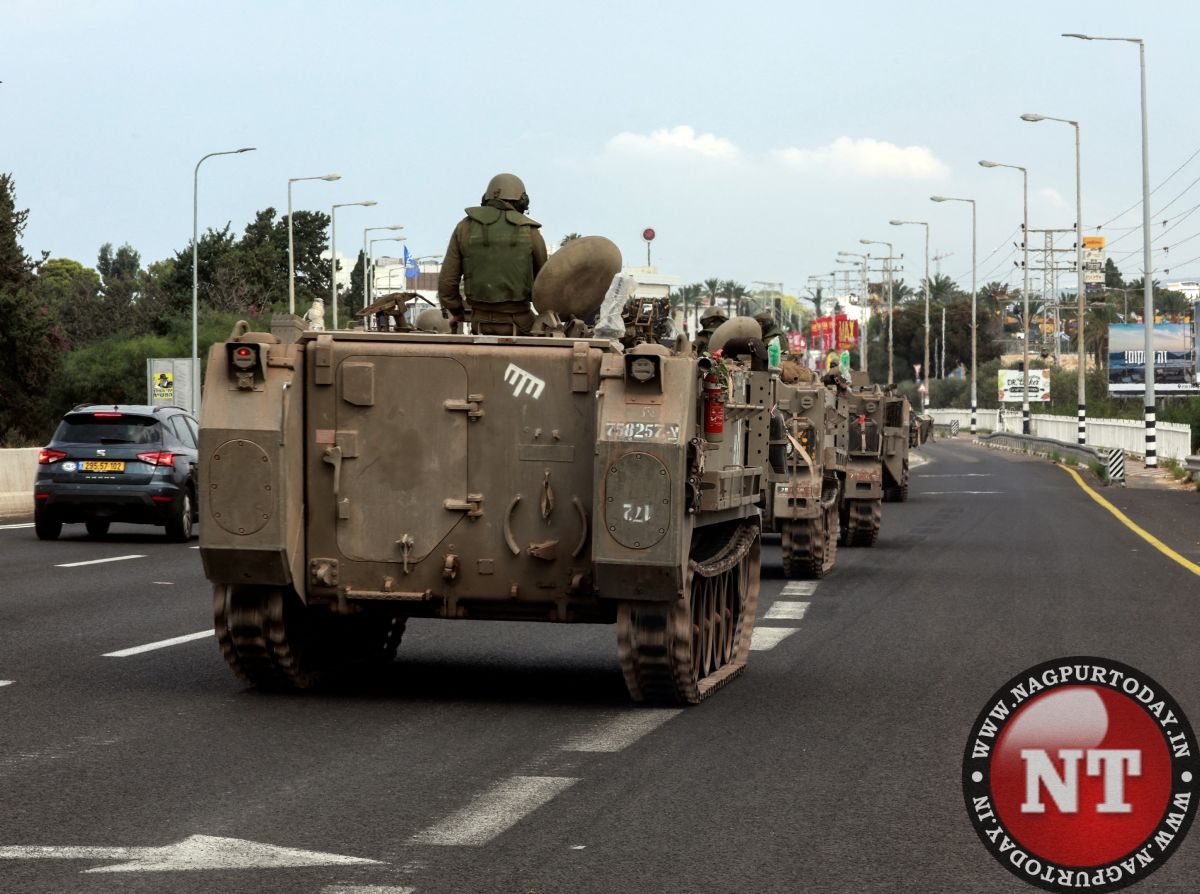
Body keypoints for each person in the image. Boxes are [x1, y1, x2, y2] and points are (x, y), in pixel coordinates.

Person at [437, 173, 548, 335]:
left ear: (486, 198)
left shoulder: (464, 227)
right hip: (520, 322)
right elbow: (544, 284)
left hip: (479, 322)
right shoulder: (530, 231)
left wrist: (457, 312)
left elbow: (447, 283)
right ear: (522, 202)